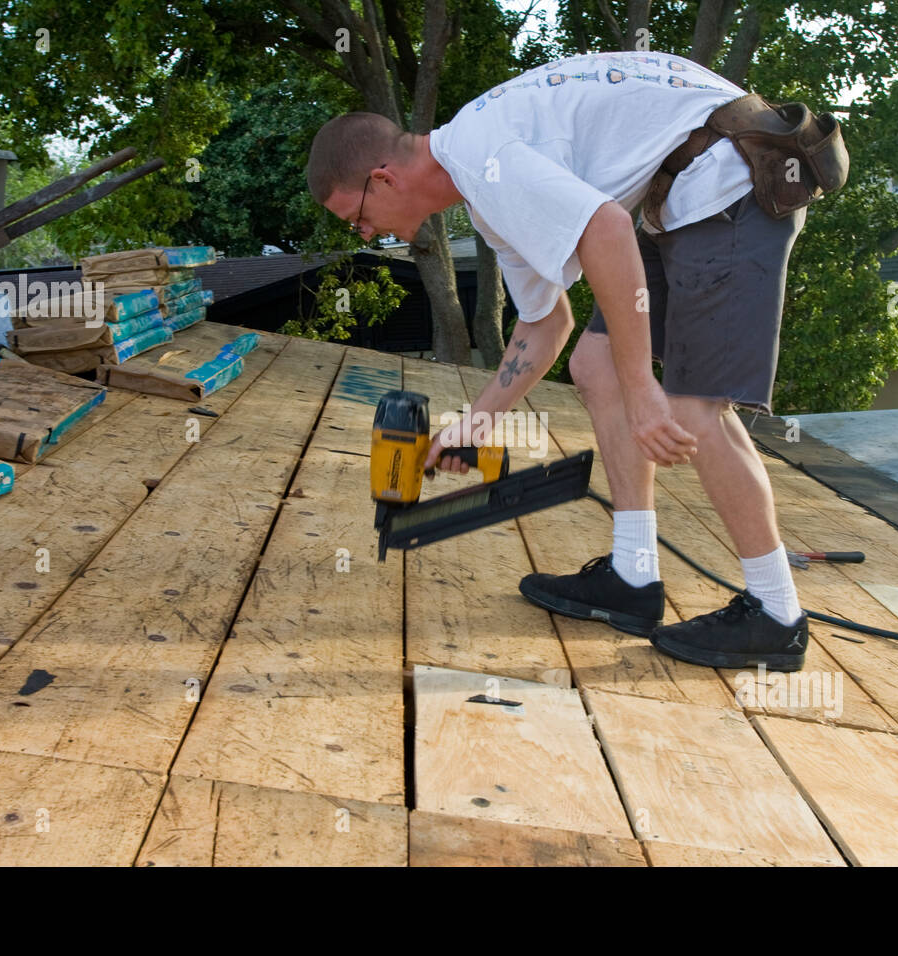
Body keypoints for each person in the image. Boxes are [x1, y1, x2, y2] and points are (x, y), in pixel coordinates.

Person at [305, 50, 809, 671]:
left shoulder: (483, 159)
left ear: (382, 179)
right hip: (674, 194)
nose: (364, 234)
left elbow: (604, 230)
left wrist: (645, 392)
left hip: (731, 181)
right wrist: (476, 423)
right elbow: (546, 324)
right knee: (594, 365)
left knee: (690, 405)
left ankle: (776, 614)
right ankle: (633, 574)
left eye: (355, 218)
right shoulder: (487, 191)